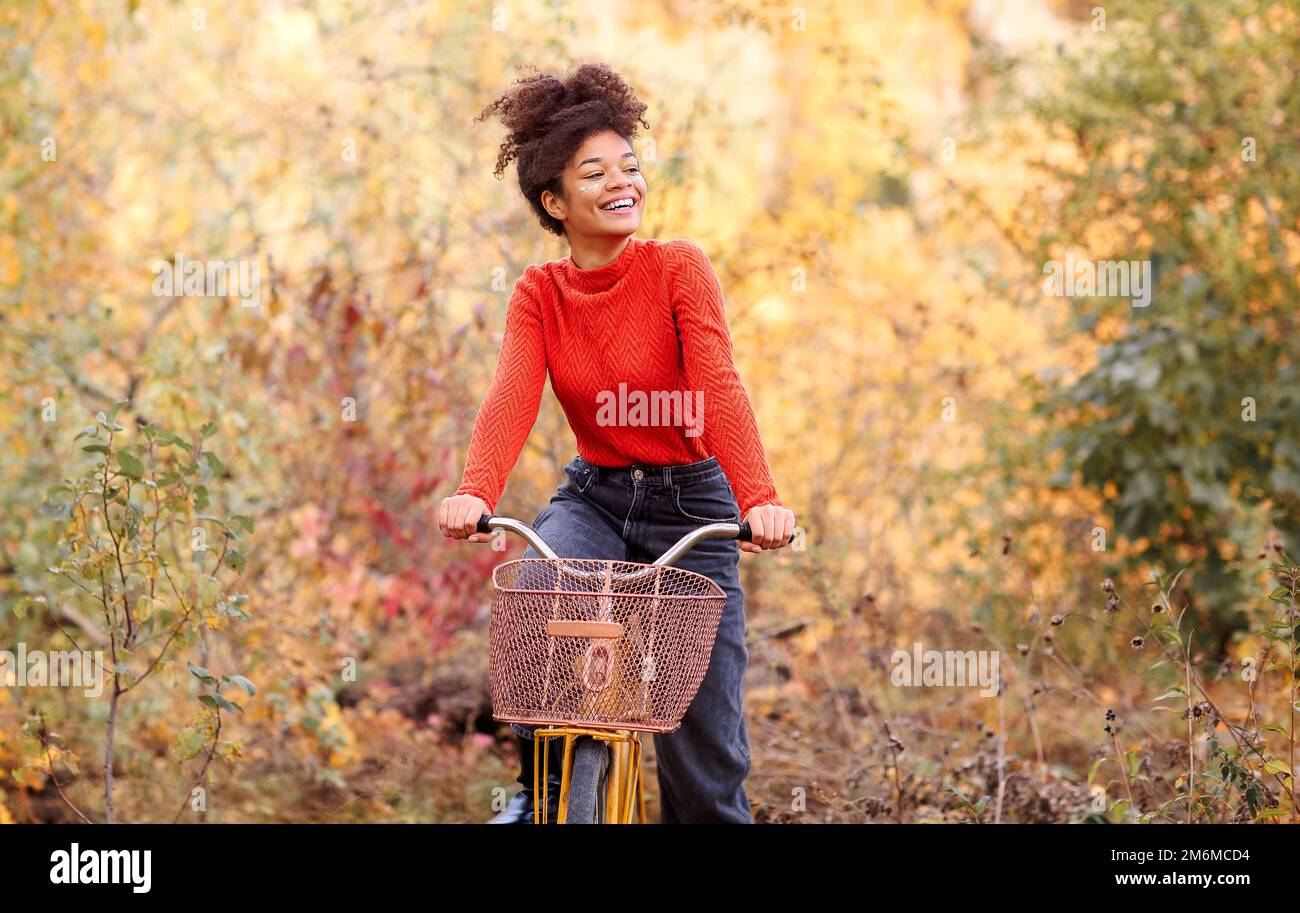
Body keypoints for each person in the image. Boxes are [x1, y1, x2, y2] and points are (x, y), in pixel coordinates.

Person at [438, 61, 796, 824]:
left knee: (706, 757)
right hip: (596, 496)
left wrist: (760, 500)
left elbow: (720, 386)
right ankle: (542, 792)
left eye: (628, 166)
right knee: (536, 591)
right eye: (593, 172)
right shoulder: (540, 292)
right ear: (554, 201)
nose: (621, 181)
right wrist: (477, 489)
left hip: (693, 506)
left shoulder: (677, 269)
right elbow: (512, 395)